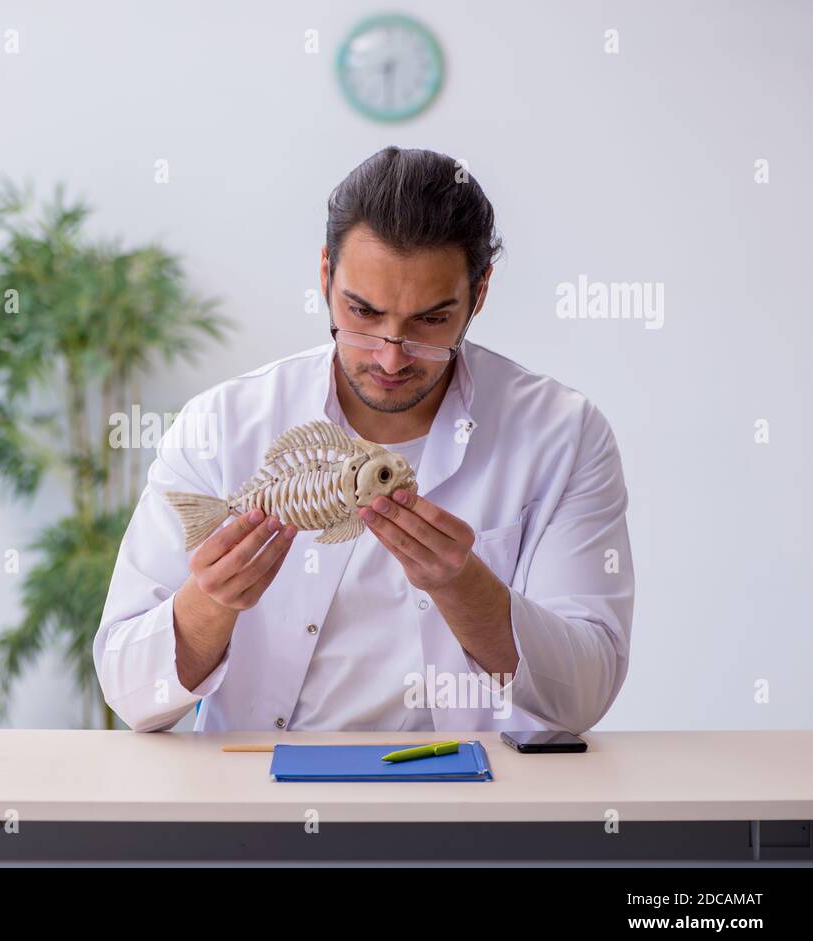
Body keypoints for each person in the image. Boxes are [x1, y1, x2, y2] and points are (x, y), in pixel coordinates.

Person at [93, 147, 633, 734]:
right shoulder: (223, 425)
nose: (391, 355)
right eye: (363, 312)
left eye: (430, 320)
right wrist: (210, 603)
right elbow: (130, 692)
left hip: (474, 806)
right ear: (326, 276)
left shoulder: (562, 434)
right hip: (257, 804)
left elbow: (584, 694)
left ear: (478, 296)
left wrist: (462, 585)